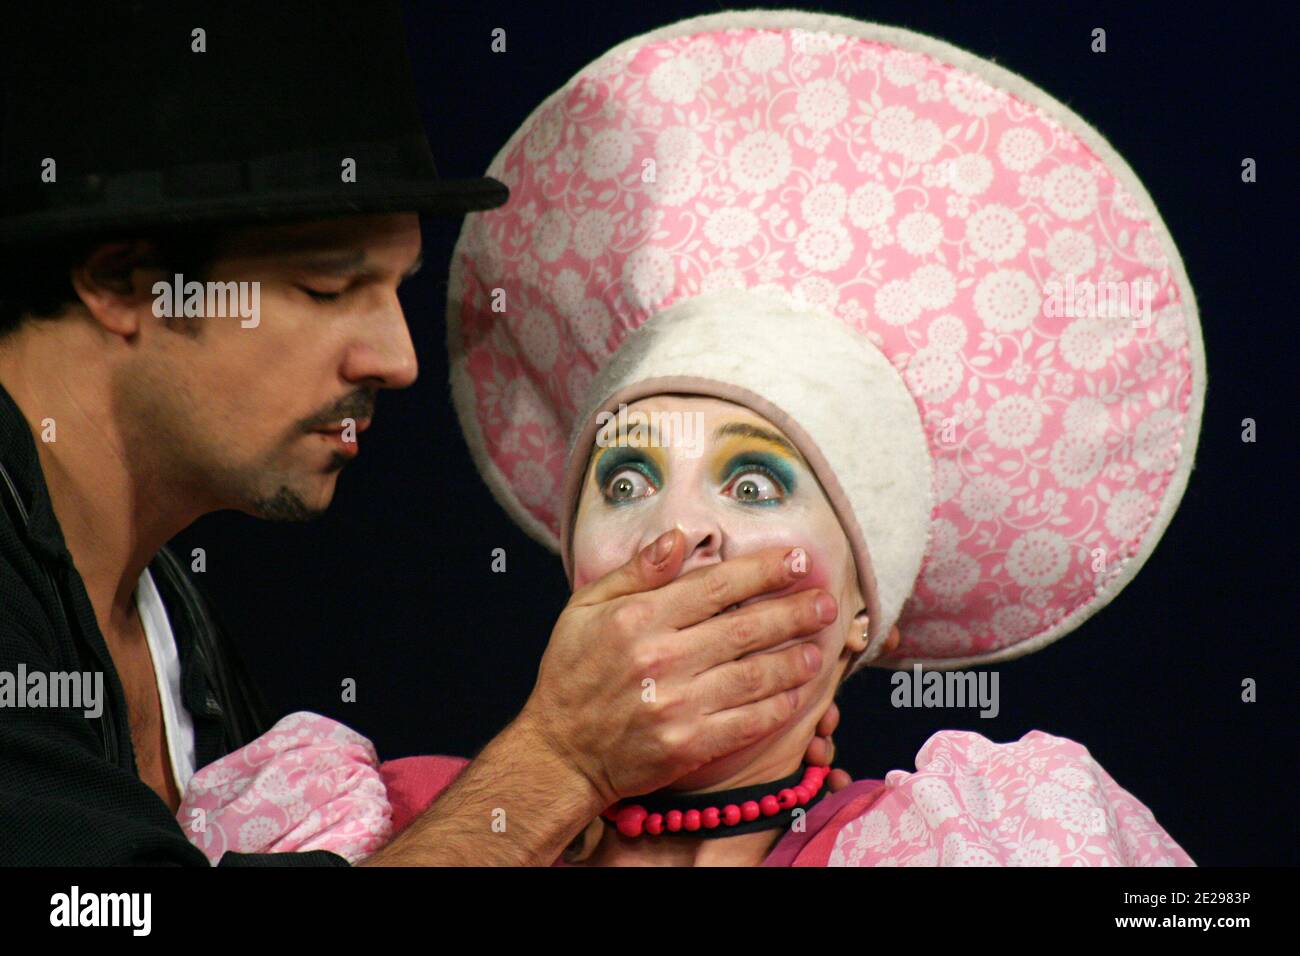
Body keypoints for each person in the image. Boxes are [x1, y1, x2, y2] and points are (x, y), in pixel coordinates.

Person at [0, 2, 848, 867]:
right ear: (122, 283)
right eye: (331, 286)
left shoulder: (172, 625)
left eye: (398, 286)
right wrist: (564, 759)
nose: (399, 359)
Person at [435, 10, 1207, 865]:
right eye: (624, 480)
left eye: (755, 483)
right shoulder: (394, 818)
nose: (673, 531)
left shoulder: (986, 843)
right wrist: (553, 762)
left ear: (864, 614)